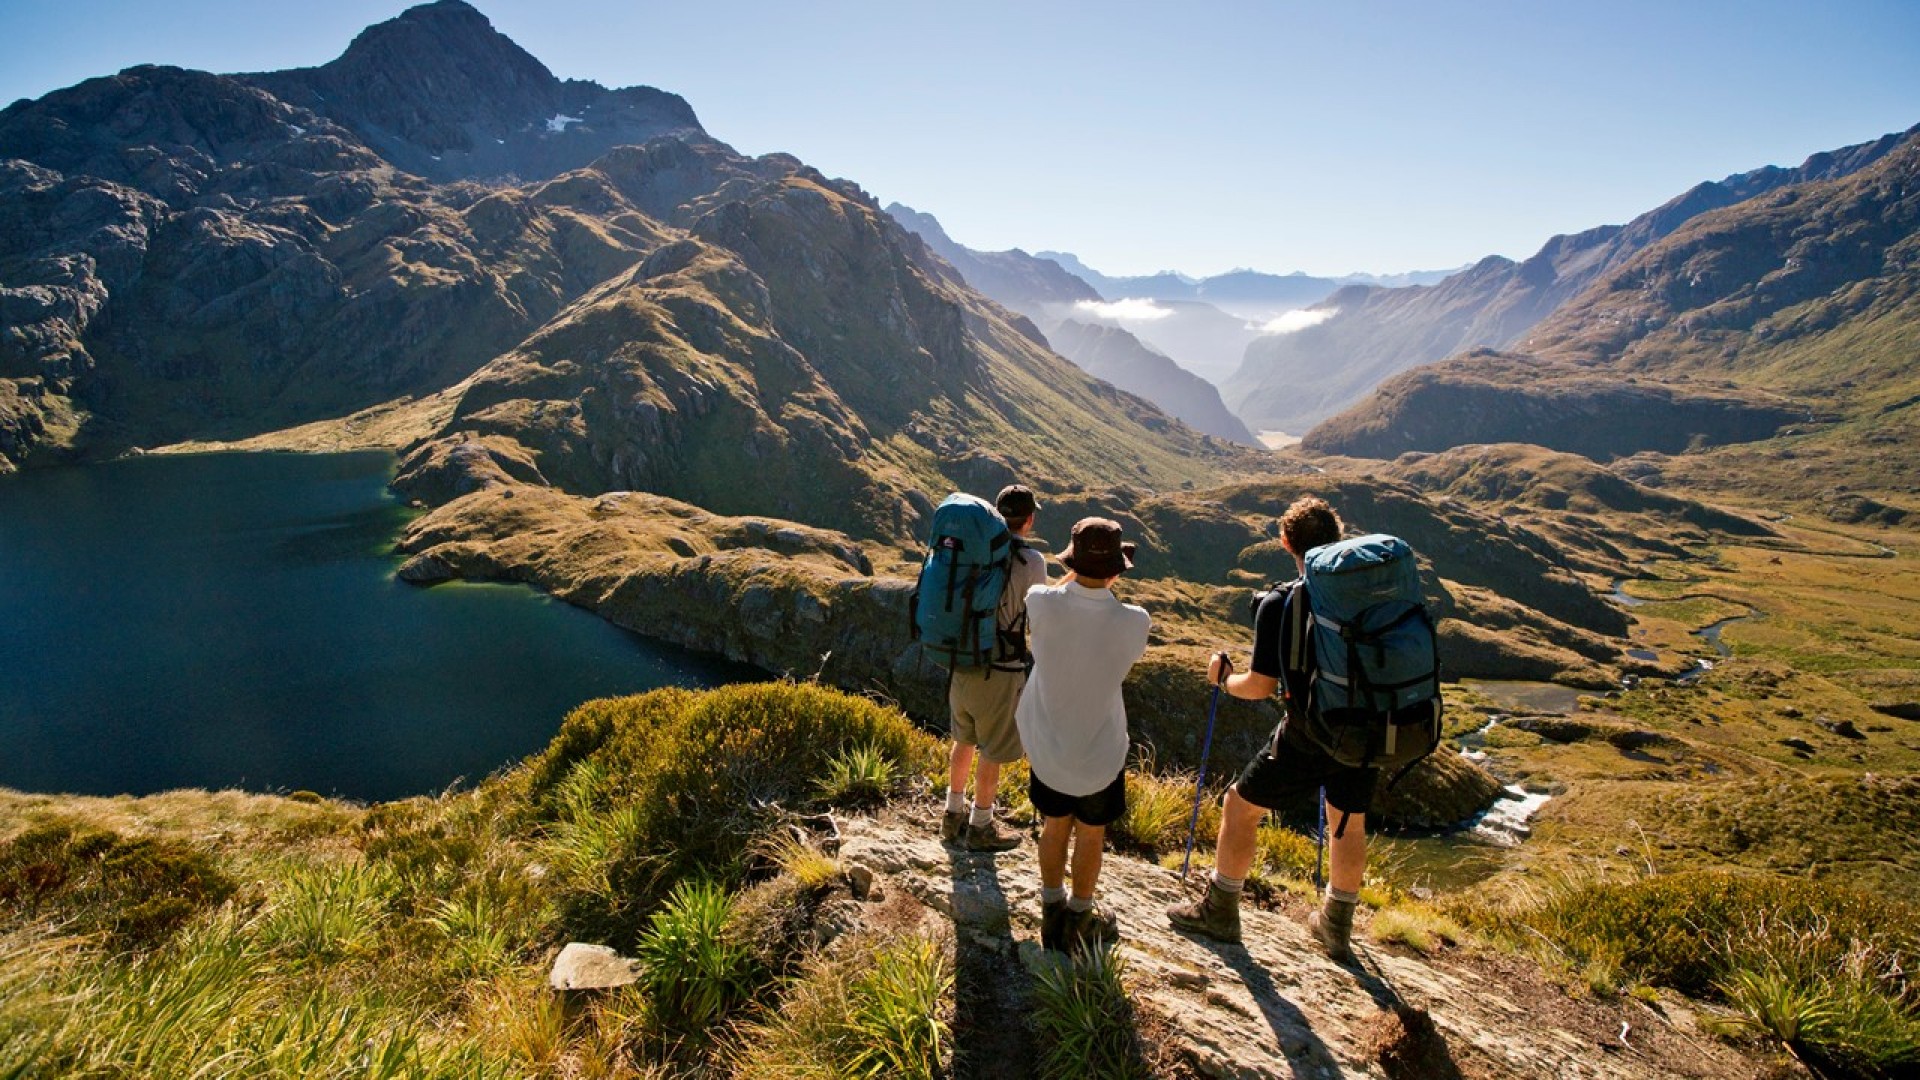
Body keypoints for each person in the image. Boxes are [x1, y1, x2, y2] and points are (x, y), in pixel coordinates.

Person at [1166, 495, 1369, 963]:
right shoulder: (1361, 594)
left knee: (1238, 807)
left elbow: (1259, 687)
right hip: (1366, 727)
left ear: (1285, 543)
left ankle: (1221, 910)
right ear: (1337, 539)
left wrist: (1222, 679)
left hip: (1309, 730)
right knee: (1347, 819)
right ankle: (1336, 927)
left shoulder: (1282, 602)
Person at [1016, 517, 1150, 951]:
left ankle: (1051, 908)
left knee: (1055, 826)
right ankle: (1080, 913)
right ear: (1116, 571)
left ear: (1071, 562)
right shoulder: (1134, 621)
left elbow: (1050, 592)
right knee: (1091, 832)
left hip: (1049, 747)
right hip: (1100, 752)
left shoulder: (1041, 602)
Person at [941, 484, 1050, 852]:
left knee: (964, 739)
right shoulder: (1032, 562)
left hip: (963, 659)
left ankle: (951, 814)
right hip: (1002, 668)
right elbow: (1038, 616)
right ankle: (981, 825)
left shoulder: (973, 551)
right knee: (992, 748)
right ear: (1029, 519)